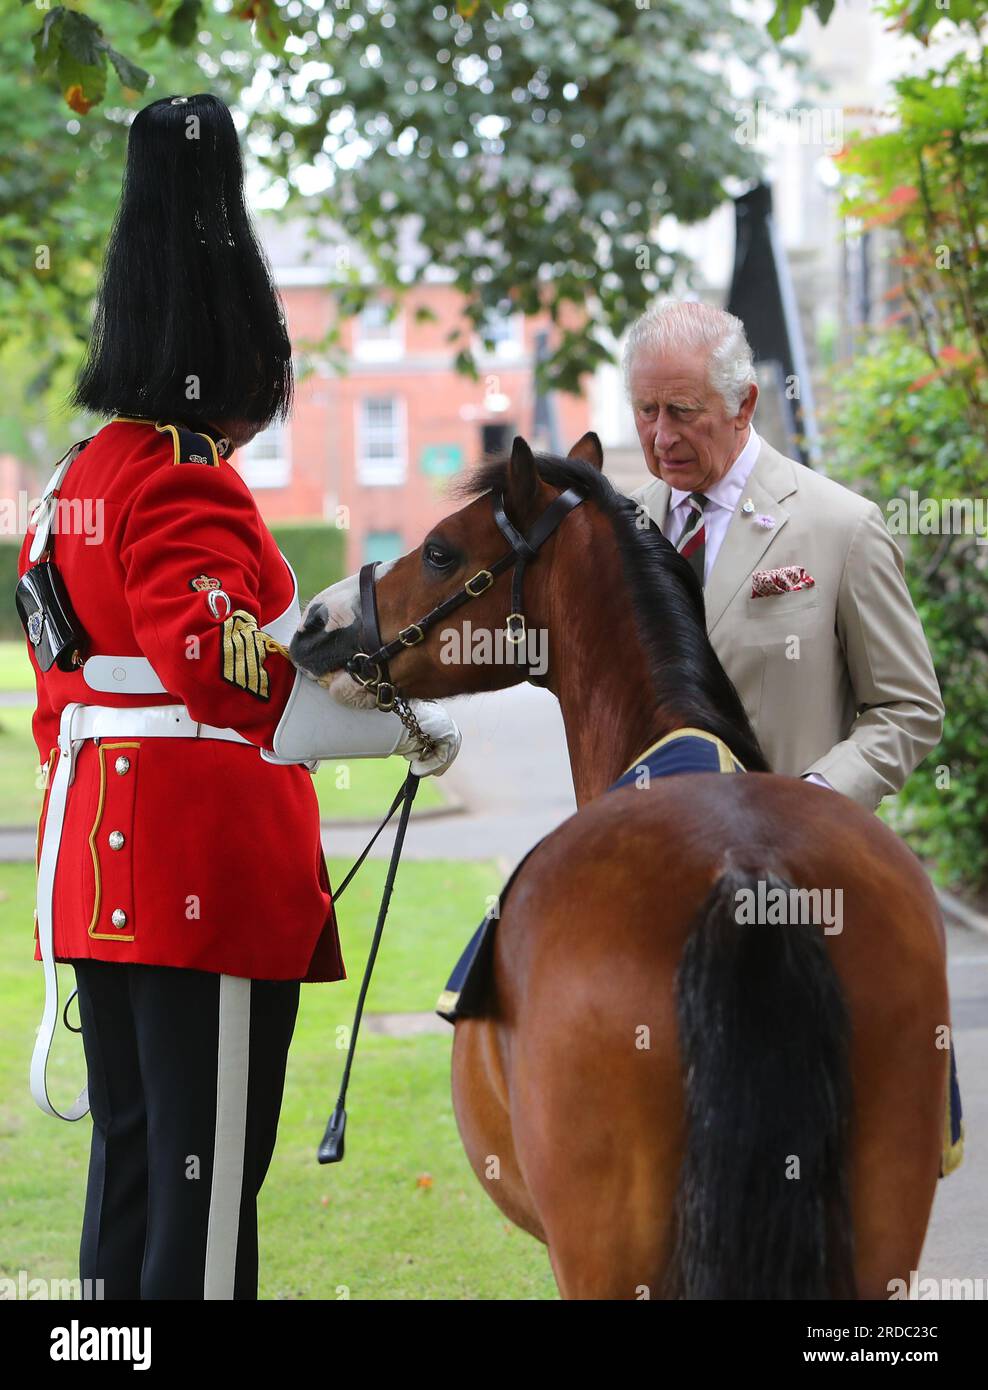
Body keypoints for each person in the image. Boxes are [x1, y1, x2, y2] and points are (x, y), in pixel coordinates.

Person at [17, 92, 460, 1301]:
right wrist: (375, 685)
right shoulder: (182, 477)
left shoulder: (74, 479)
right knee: (204, 1212)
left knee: (134, 1175)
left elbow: (66, 694)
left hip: (102, 878)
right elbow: (223, 666)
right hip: (197, 879)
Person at [624, 299, 944, 812]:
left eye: (683, 411)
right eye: (646, 411)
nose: (662, 436)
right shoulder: (618, 529)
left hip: (791, 868)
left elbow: (907, 707)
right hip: (652, 859)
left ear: (744, 405)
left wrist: (816, 801)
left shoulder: (843, 526)